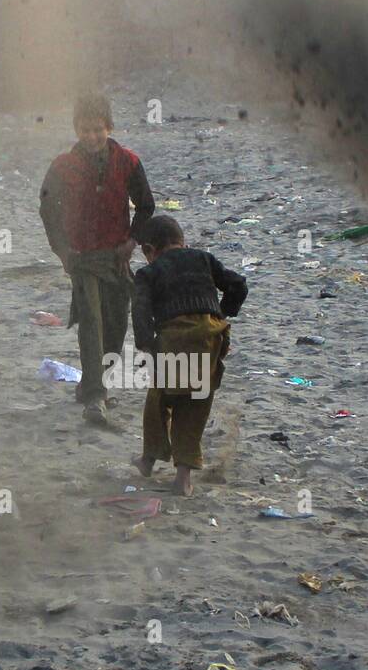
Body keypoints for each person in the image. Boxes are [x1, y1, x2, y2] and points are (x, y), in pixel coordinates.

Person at [40, 93, 155, 425]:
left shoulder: (128, 162)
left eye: (97, 129)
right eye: (85, 130)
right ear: (76, 129)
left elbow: (146, 206)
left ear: (109, 127)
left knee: (116, 323)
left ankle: (95, 384)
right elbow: (47, 208)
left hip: (116, 258)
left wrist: (132, 242)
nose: (91, 137)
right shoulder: (64, 166)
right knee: (91, 321)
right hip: (82, 258)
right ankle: (95, 396)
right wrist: (62, 251)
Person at [130, 215, 248, 497]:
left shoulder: (148, 273)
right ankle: (183, 479)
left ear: (149, 250)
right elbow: (238, 285)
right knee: (196, 402)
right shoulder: (204, 259)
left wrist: (146, 345)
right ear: (183, 242)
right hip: (211, 336)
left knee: (160, 399)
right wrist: (223, 311)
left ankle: (148, 459)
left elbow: (140, 311)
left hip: (174, 338)